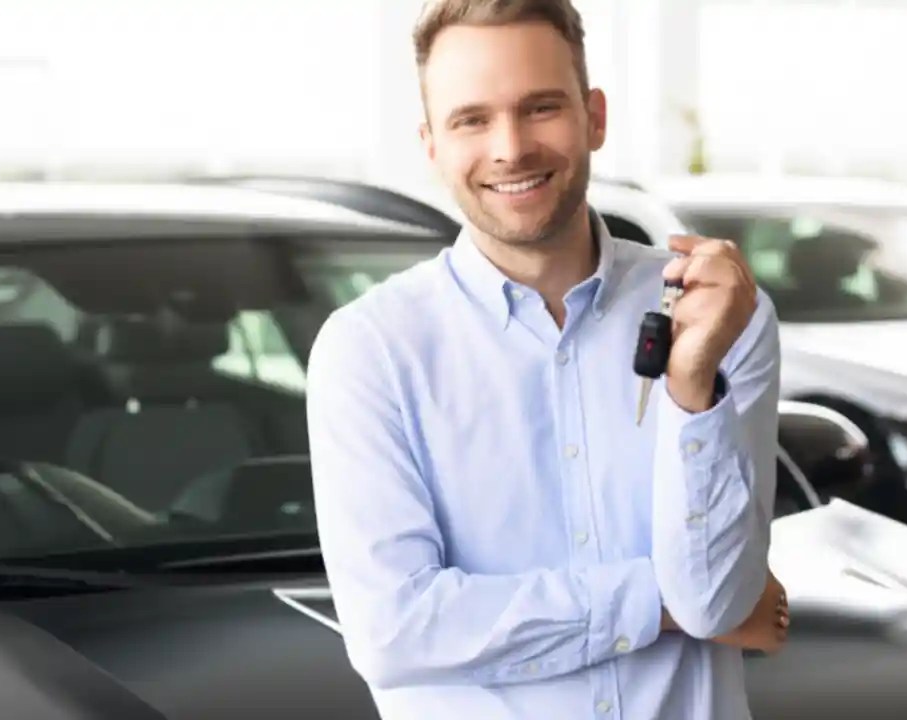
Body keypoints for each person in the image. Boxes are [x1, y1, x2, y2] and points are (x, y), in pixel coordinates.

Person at [305, 1, 787, 718]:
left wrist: (691, 388)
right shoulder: (370, 350)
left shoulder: (718, 314)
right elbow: (394, 630)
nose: (511, 147)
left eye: (541, 107)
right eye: (472, 119)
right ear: (431, 143)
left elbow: (715, 599)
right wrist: (658, 602)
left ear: (594, 116)